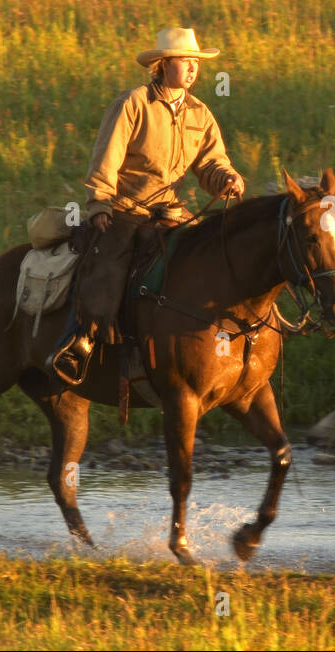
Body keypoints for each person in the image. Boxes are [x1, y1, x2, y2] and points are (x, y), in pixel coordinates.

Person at [49, 27, 245, 385]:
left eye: (195, 63)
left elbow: (212, 162)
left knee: (208, 258)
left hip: (172, 212)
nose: (192, 69)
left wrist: (227, 179)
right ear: (162, 65)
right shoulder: (132, 104)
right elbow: (106, 158)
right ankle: (79, 343)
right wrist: (100, 204)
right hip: (125, 210)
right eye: (185, 62)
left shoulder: (200, 114)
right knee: (108, 266)